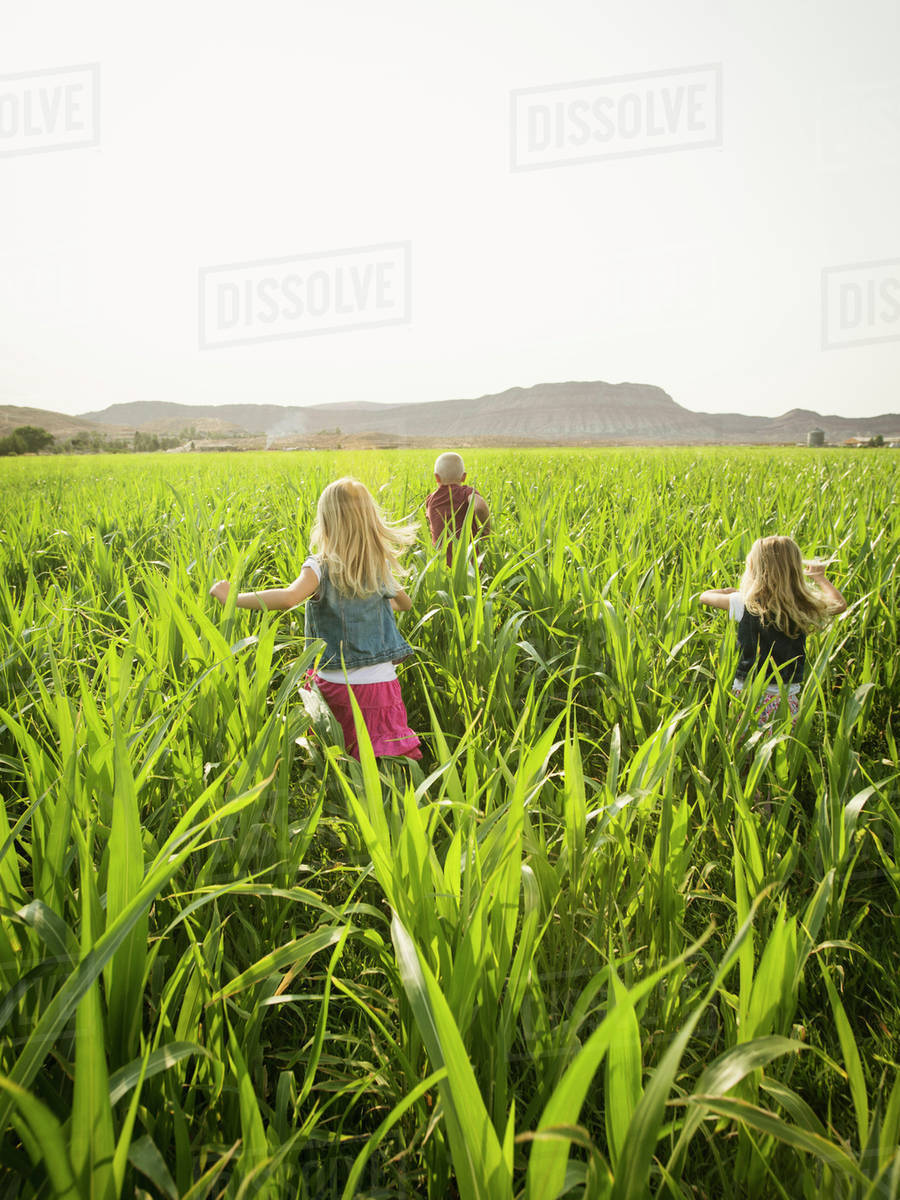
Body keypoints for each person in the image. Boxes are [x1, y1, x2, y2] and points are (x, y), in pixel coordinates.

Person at [209, 477, 421, 760]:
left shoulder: (320, 566)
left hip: (336, 683)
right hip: (379, 685)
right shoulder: (377, 564)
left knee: (338, 754)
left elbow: (288, 597)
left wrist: (232, 597)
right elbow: (404, 604)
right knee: (382, 753)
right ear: (369, 518)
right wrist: (374, 604)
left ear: (327, 521)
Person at [698, 535, 847, 726]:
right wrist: (820, 578)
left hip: (748, 697)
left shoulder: (745, 603)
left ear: (754, 567)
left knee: (745, 752)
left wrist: (728, 591)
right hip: (786, 701)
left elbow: (704, 596)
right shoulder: (802, 606)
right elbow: (839, 604)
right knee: (781, 752)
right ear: (794, 569)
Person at [425, 452, 491, 565]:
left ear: (436, 477)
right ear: (464, 477)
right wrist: (486, 529)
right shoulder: (465, 493)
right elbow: (480, 507)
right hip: (468, 565)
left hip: (440, 566)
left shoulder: (430, 499)